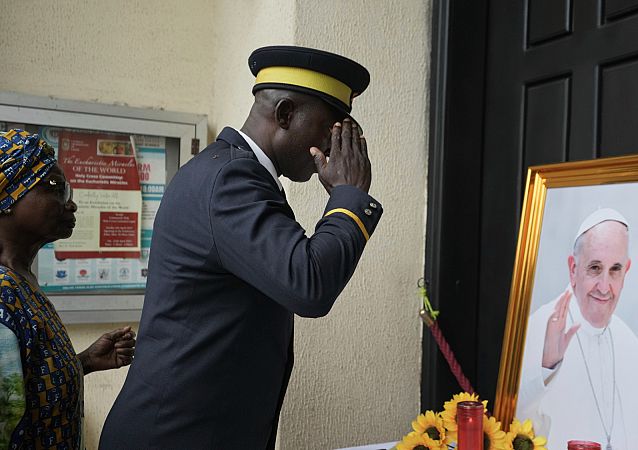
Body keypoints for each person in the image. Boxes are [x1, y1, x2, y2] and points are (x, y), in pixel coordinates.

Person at [100, 46, 382, 449]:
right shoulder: (231, 179)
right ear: (285, 114)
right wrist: (349, 195)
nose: (331, 148)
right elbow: (309, 283)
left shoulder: (236, 173)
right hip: (173, 437)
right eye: (327, 130)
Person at [0, 129, 136, 449]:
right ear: (7, 197)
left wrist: (84, 362)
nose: (71, 204)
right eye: (56, 188)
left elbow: (25, 388)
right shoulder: (2, 296)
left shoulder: (21, 281)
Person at [516, 208, 638, 450]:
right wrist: (546, 367)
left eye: (615, 270)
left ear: (626, 271)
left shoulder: (631, 345)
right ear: (573, 268)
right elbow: (511, 425)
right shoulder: (538, 328)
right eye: (595, 268)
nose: (604, 287)